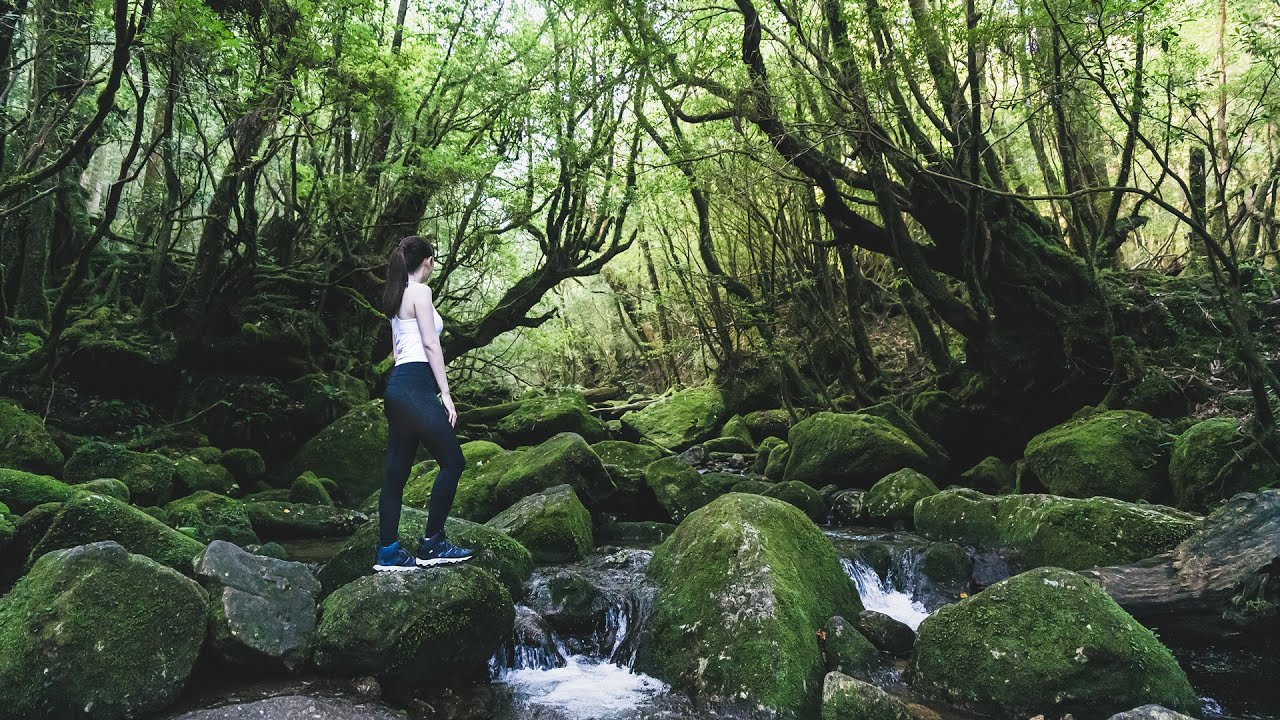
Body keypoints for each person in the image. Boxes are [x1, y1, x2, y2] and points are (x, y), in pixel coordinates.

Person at [373, 234, 475, 571]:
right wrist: (445, 394)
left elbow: (396, 350)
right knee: (453, 462)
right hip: (416, 387)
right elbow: (431, 345)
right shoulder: (420, 292)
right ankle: (432, 544)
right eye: (434, 262)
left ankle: (387, 553)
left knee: (395, 476)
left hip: (397, 388)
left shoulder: (395, 296)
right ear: (428, 262)